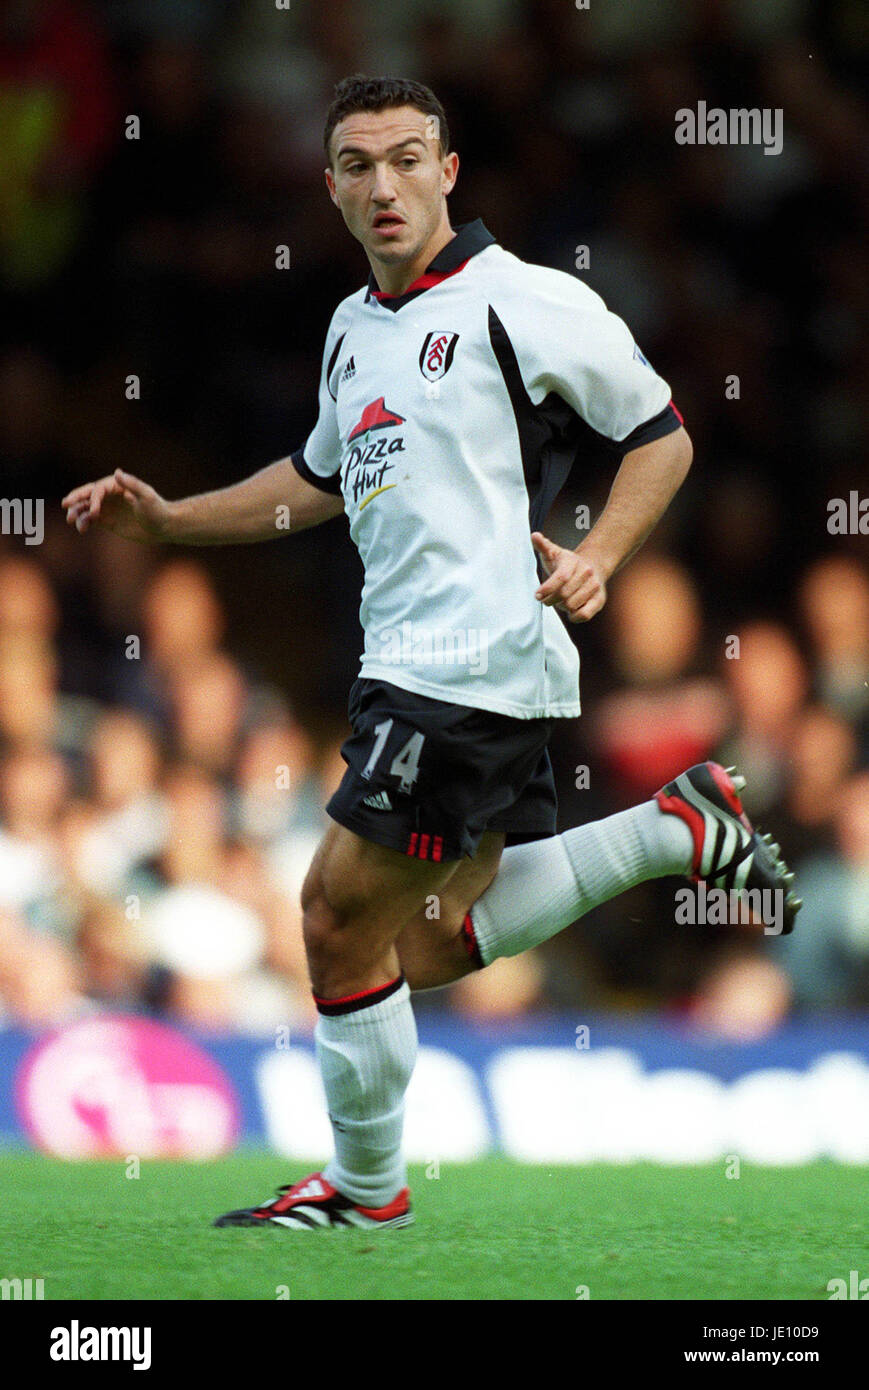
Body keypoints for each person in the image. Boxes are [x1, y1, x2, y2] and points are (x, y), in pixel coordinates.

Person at [63, 75, 800, 1232]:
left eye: (407, 158)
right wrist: (169, 519)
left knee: (327, 916)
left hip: (469, 666)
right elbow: (308, 484)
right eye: (357, 165)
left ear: (447, 172)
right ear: (332, 190)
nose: (384, 183)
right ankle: (675, 827)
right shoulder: (352, 328)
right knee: (424, 941)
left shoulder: (525, 300)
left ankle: (365, 1194)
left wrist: (599, 553)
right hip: (405, 665)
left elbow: (661, 435)